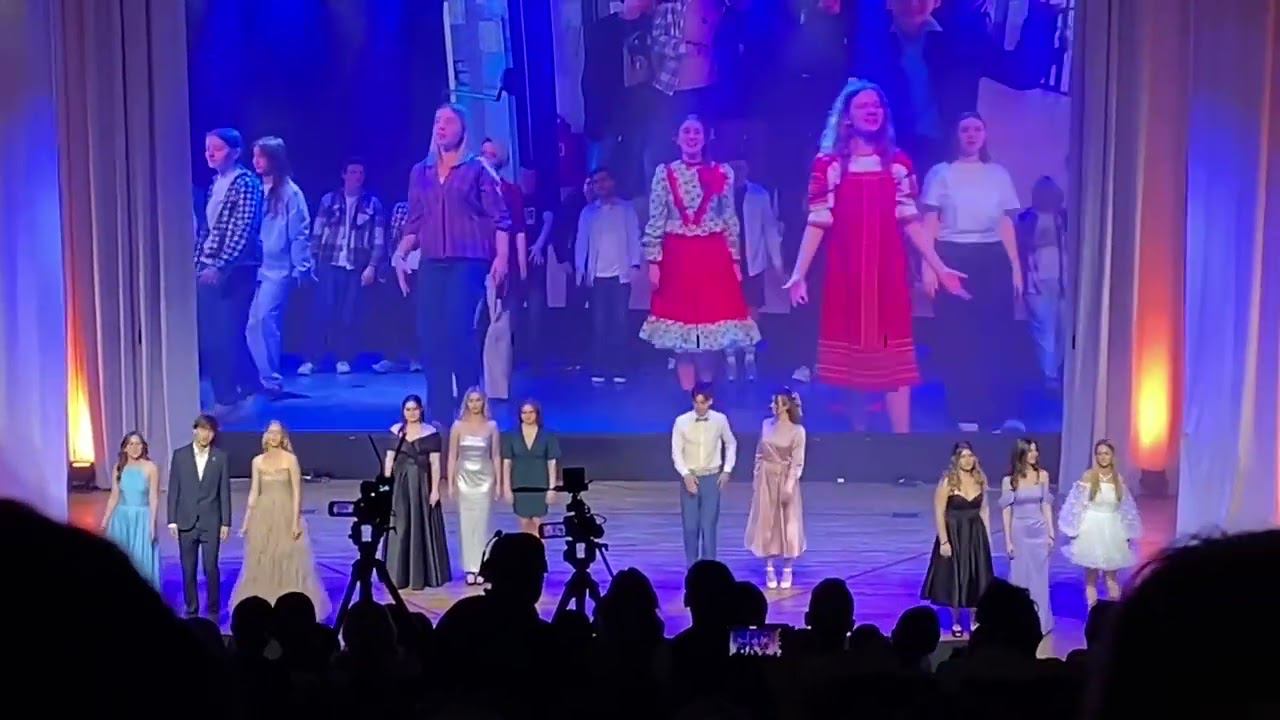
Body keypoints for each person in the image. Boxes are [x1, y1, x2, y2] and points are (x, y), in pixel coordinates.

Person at [784, 79, 967, 433]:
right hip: (847, 272)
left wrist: (939, 266)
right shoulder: (829, 165)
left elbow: (911, 222)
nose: (872, 111)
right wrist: (798, 273)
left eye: (876, 106)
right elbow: (817, 221)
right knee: (854, 367)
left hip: (888, 273)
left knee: (897, 362)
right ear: (847, 117)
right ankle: (860, 441)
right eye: (863, 106)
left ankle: (901, 443)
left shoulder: (897, 163)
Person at [394, 103, 511, 423]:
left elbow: (501, 219)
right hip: (432, 261)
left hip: (468, 260)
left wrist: (502, 258)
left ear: (462, 129)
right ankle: (439, 413)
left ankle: (471, 408)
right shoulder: (421, 172)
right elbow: (414, 222)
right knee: (431, 335)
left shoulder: (477, 169)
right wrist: (400, 254)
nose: (441, 126)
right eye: (437, 121)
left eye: (448, 121)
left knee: (460, 332)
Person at [641, 115, 760, 390]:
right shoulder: (664, 173)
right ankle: (689, 396)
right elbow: (656, 218)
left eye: (697, 132)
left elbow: (729, 218)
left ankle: (704, 393)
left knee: (710, 328)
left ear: (706, 137)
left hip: (712, 255)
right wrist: (653, 261)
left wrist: (735, 260)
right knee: (681, 333)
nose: (692, 137)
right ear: (677, 137)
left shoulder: (722, 172)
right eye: (687, 131)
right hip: (677, 256)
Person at [922, 112, 1023, 432]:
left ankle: (994, 415)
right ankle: (964, 412)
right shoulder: (941, 173)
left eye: (977, 129)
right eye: (965, 129)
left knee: (994, 337)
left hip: (992, 258)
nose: (971, 134)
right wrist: (929, 267)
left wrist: (1016, 267)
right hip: (953, 256)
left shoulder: (998, 174)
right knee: (958, 337)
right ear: (956, 134)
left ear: (985, 134)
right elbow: (929, 223)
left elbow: (1005, 224)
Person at [230, 420, 330, 618]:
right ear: (265, 435)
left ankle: (290, 606)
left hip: (285, 515)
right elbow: (254, 492)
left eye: (277, 433)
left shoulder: (290, 460)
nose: (274, 436)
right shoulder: (257, 461)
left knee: (287, 558)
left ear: (283, 437)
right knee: (262, 559)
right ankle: (263, 604)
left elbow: (297, 492)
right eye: (271, 432)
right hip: (263, 515)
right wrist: (246, 522)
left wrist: (295, 522)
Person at [197, 127, 264, 414]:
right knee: (214, 333)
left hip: (237, 269)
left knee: (226, 332)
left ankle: (231, 395)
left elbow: (243, 230)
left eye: (218, 148)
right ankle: (241, 389)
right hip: (209, 263)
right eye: (207, 149)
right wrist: (198, 261)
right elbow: (207, 229)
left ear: (235, 152)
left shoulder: (245, 183)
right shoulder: (216, 183)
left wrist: (220, 265)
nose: (210, 154)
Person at [298, 157, 385, 376]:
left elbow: (378, 238)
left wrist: (372, 266)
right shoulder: (329, 200)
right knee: (322, 312)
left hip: (356, 265)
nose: (357, 177)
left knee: (349, 314)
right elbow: (317, 232)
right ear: (344, 175)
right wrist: (312, 260)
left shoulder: (372, 204)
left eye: (360, 173)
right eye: (353, 172)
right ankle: (312, 359)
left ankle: (344, 358)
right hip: (330, 261)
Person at [244, 136, 311, 396]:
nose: (256, 162)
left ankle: (270, 378)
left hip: (279, 267)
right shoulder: (253, 188)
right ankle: (262, 377)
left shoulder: (290, 193)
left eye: (261, 156)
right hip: (254, 266)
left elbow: (299, 232)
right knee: (253, 324)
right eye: (254, 156)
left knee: (265, 320)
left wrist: (301, 267)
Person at [575, 166, 643, 384]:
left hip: (620, 275)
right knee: (600, 324)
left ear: (612, 182)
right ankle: (600, 367)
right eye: (596, 182)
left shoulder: (626, 210)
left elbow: (634, 237)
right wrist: (580, 269)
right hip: (597, 277)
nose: (600, 185)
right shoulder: (588, 213)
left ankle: (619, 368)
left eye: (604, 180)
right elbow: (581, 242)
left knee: (620, 323)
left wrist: (635, 264)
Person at [921, 441, 993, 637]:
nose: (968, 460)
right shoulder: (948, 482)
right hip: (955, 534)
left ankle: (975, 619)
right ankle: (955, 620)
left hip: (975, 534)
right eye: (963, 456)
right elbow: (939, 512)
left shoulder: (979, 480)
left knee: (977, 576)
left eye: (970, 456)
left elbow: (984, 510)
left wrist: (987, 538)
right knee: (956, 575)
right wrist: (944, 541)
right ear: (956, 459)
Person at [1059, 439, 1142, 607]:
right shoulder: (1089, 476)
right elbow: (1077, 504)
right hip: (1091, 529)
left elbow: (1125, 508)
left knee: (1111, 578)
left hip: (1112, 530)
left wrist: (1128, 532)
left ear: (1112, 456)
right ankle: (1093, 611)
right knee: (1091, 577)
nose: (1103, 457)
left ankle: (1113, 613)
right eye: (1099, 454)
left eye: (1106, 453)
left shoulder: (1118, 479)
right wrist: (1073, 529)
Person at [384, 394, 451, 589]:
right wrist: (386, 484)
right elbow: (389, 460)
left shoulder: (430, 433)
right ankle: (398, 574)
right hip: (400, 485)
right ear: (403, 411)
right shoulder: (396, 431)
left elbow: (435, 464)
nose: (411, 413)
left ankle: (423, 575)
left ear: (421, 410)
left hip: (422, 484)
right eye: (408, 409)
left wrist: (435, 490)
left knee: (421, 526)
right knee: (400, 525)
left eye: (415, 409)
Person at [724, 159, 783, 383]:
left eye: (741, 166)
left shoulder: (759, 194)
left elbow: (769, 229)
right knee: (726, 309)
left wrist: (777, 264)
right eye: (733, 166)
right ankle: (730, 355)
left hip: (752, 262)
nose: (737, 171)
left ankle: (750, 354)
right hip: (725, 263)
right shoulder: (718, 194)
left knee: (752, 308)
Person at [167, 414, 232, 617]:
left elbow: (224, 491)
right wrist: (172, 520)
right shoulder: (180, 456)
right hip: (186, 520)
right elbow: (174, 489)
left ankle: (213, 607)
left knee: (210, 567)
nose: (206, 435)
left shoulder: (220, 457)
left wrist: (226, 522)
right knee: (188, 568)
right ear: (195, 430)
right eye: (203, 430)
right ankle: (191, 607)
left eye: (210, 431)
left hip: (211, 521)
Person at [479, 138, 528, 400]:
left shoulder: (511, 191)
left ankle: (497, 387)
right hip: (476, 259)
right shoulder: (472, 186)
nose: (486, 158)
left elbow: (518, 229)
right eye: (483, 153)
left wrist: (521, 266)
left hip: (504, 264)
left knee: (501, 324)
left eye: (492, 154)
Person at [744, 388, 807, 589]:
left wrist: (789, 485)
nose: (772, 406)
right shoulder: (766, 425)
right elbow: (759, 454)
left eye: (776, 402)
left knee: (788, 522)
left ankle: (787, 567)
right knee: (767, 521)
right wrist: (756, 478)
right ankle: (769, 567)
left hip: (785, 477)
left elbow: (797, 462)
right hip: (766, 478)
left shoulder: (797, 431)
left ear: (786, 405)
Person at [671, 382, 738, 565]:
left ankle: (709, 569)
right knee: (690, 527)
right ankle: (692, 568)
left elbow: (731, 443)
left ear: (710, 401)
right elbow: (676, 452)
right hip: (690, 477)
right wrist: (685, 474)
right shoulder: (681, 421)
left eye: (702, 402)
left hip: (711, 478)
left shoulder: (720, 420)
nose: (699, 406)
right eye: (696, 402)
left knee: (708, 527)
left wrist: (727, 470)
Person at [1017, 175, 1068, 390]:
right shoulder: (1028, 218)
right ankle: (1049, 374)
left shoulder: (1064, 217)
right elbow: (1022, 247)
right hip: (1037, 279)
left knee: (1062, 326)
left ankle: (1057, 369)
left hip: (1063, 278)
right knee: (1045, 327)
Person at [999, 437, 1054, 634]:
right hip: (1019, 532)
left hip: (1039, 531)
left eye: (1035, 450)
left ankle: (1040, 622)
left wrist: (1051, 533)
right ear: (1021, 453)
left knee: (1040, 577)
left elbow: (1046, 504)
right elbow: (1007, 511)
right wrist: (1008, 541)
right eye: (1030, 451)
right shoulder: (1010, 480)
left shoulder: (1043, 476)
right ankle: (1018, 622)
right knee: (1019, 576)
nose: (1034, 454)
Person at [449, 386, 502, 585]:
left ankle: (482, 567)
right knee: (466, 524)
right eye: (471, 400)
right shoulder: (457, 426)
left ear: (484, 402)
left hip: (485, 479)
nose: (474, 404)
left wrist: (498, 483)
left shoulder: (492, 426)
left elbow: (496, 456)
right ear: (466, 403)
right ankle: (469, 568)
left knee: (482, 524)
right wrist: (451, 483)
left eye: (478, 400)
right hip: (464, 479)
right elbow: (452, 456)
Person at [99, 431, 161, 589]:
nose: (134, 447)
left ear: (143, 447)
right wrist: (105, 520)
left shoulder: (150, 468)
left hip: (141, 519)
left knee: (139, 561)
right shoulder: (119, 468)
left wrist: (152, 524)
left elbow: (153, 498)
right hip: (121, 519)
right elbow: (114, 496)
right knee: (120, 559)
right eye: (131, 444)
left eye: (138, 444)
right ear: (125, 448)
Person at [501, 399, 562, 534]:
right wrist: (506, 488)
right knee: (524, 527)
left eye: (531, 412)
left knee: (539, 528)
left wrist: (552, 488)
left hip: (540, 486)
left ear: (537, 414)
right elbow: (507, 463)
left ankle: (539, 548)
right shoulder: (511, 435)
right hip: (520, 487)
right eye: (524, 412)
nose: (527, 415)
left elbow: (552, 463)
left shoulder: (548, 435)